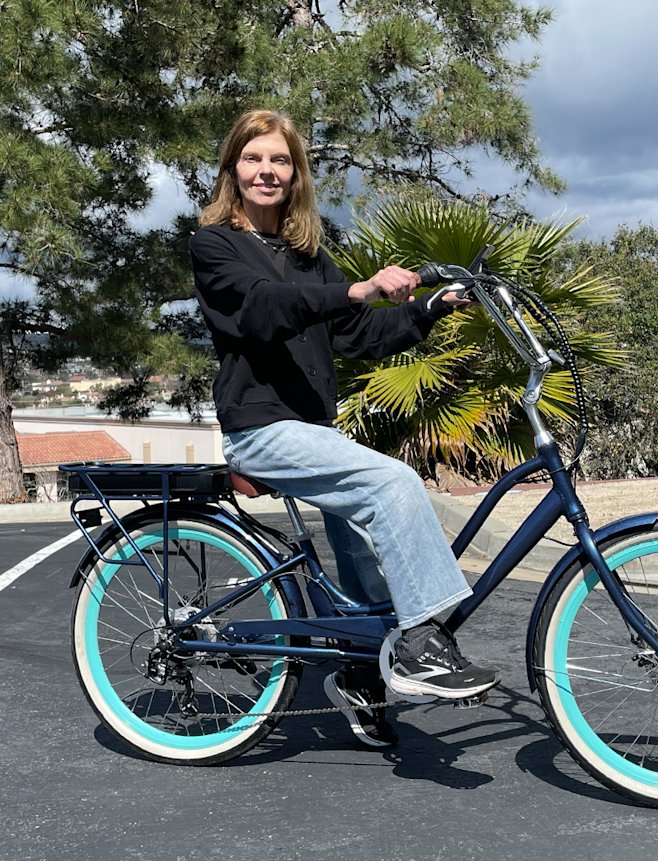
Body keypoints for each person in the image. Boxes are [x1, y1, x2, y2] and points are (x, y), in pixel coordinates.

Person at [189, 109, 499, 748]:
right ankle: (419, 644)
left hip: (313, 430)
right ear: (233, 169)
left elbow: (359, 334)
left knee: (363, 542)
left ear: (295, 174)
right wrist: (356, 289)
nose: (267, 171)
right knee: (392, 483)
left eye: (280, 160)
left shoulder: (309, 256)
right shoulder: (215, 246)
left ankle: (363, 672)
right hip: (261, 428)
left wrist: (430, 308)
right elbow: (260, 309)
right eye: (254, 159)